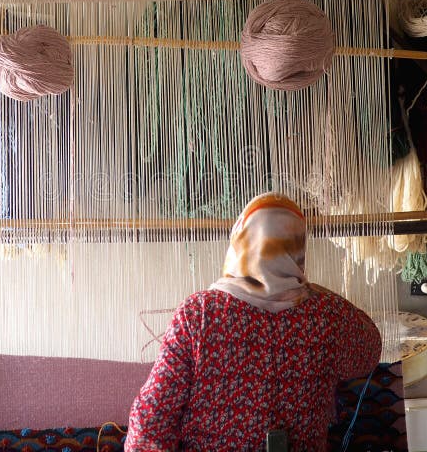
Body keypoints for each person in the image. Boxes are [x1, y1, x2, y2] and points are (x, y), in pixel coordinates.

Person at [126, 192, 382, 452]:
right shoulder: (328, 316)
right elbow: (369, 353)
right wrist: (315, 292)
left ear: (240, 240)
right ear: (298, 245)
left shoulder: (199, 314)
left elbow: (151, 424)